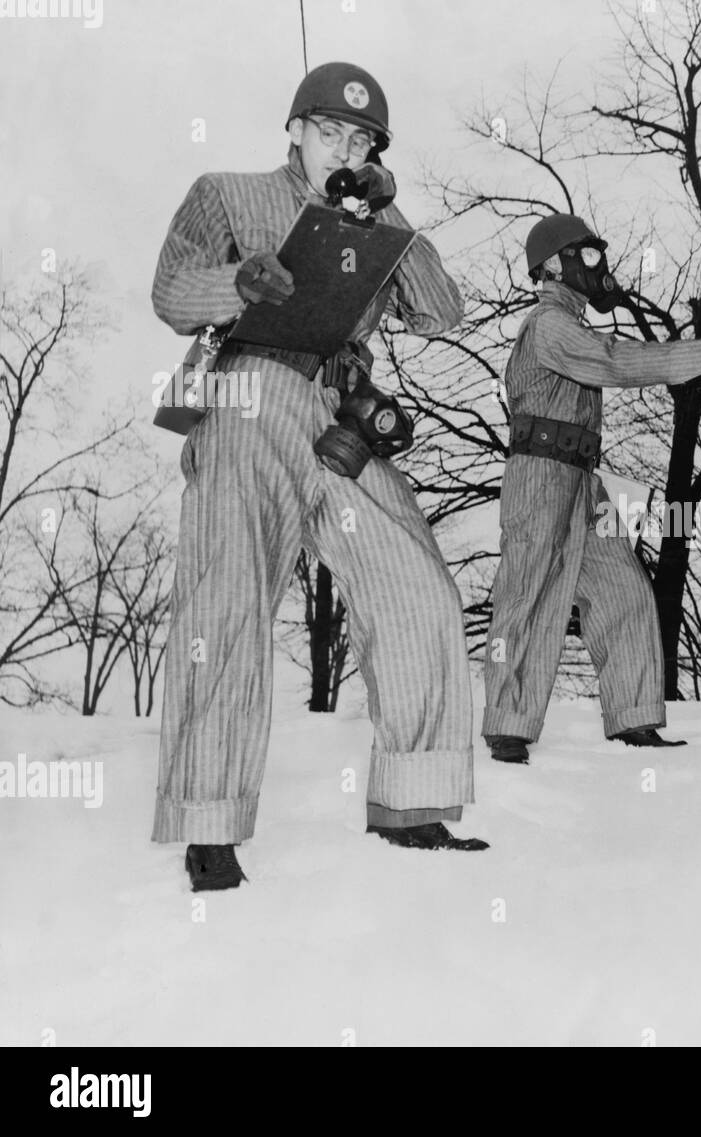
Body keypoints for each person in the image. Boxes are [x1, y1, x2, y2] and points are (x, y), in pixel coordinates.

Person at [151, 61, 486, 892]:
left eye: (362, 141)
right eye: (330, 131)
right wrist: (237, 282)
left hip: (340, 416)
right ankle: (208, 822)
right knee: (227, 600)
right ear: (296, 129)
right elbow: (171, 291)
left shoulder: (376, 224)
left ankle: (412, 800)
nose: (344, 148)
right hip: (250, 392)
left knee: (418, 588)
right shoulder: (227, 193)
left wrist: (383, 210)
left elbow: (443, 310)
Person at [482, 214, 701, 764]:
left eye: (598, 255)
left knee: (624, 590)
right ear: (553, 266)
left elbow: (608, 355)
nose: (597, 266)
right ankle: (507, 727)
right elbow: (611, 361)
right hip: (540, 477)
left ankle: (633, 718)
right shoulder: (549, 324)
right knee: (528, 594)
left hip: (583, 481)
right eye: (586, 255)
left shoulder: (570, 323)